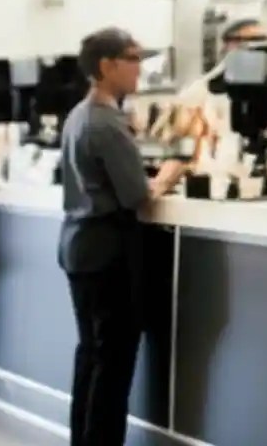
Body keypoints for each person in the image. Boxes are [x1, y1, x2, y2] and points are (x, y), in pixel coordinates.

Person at [59, 28, 185, 445]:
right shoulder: (107, 122)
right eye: (133, 59)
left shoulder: (80, 115)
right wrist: (166, 177)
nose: (139, 69)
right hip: (107, 252)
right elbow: (136, 196)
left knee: (92, 355)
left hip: (80, 247)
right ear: (106, 65)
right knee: (112, 361)